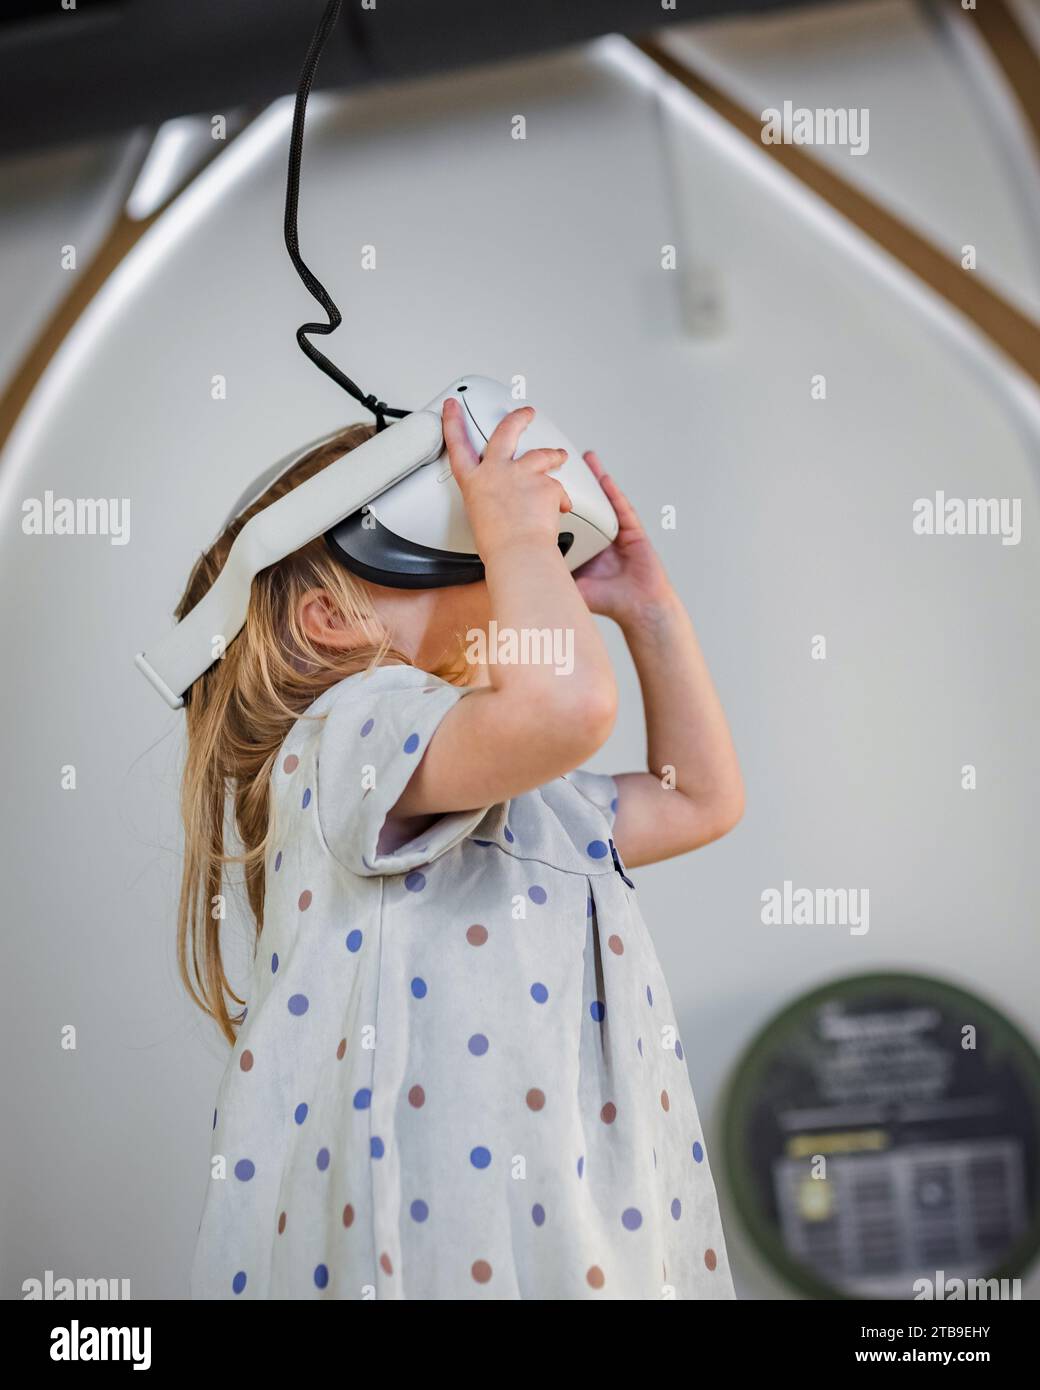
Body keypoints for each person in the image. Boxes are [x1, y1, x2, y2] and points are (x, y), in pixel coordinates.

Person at [179, 397, 744, 1299]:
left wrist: (652, 614)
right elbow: (565, 710)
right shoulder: (348, 735)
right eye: (468, 541)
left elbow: (702, 800)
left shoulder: (510, 786)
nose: (499, 554)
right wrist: (519, 541)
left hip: (570, 1219)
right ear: (333, 619)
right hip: (437, 1219)